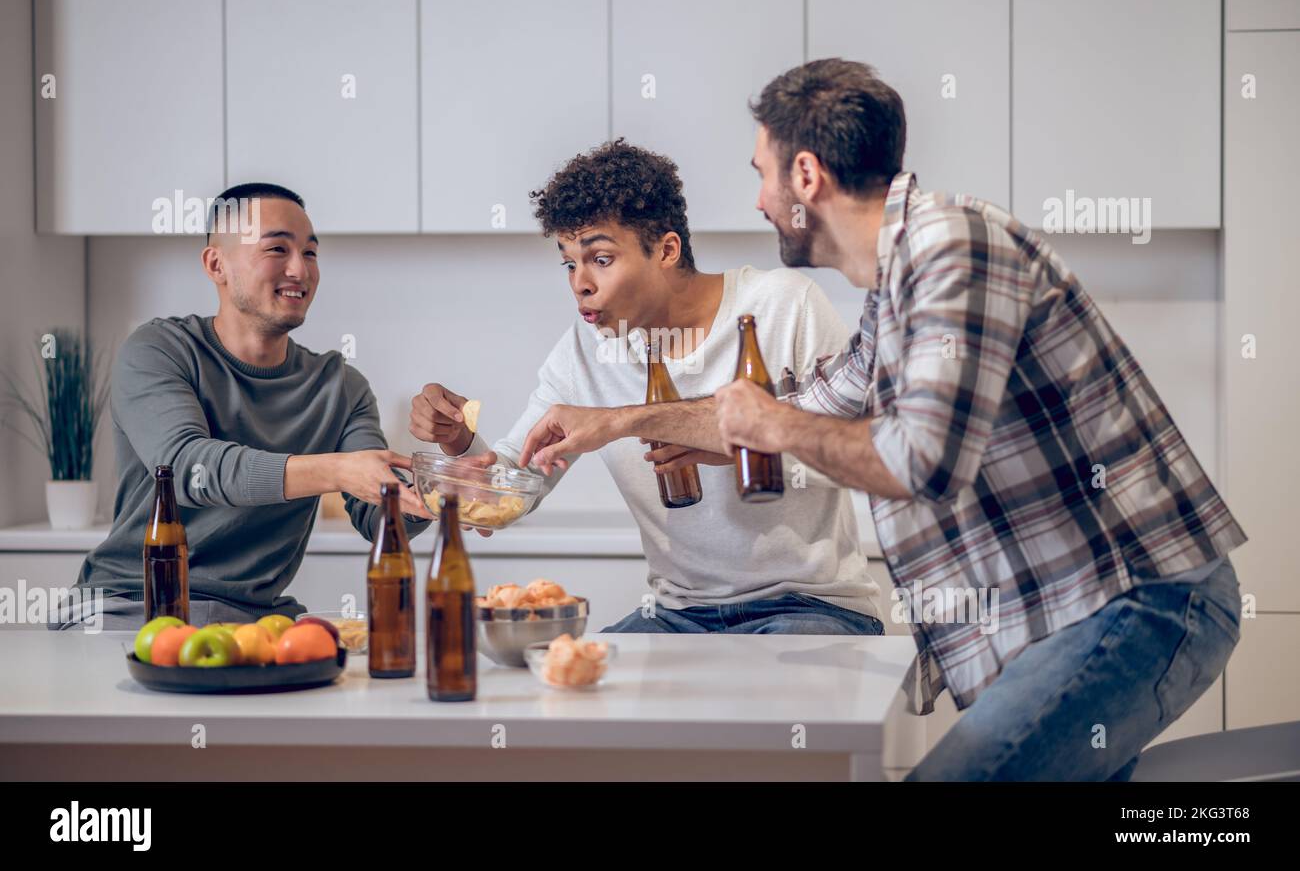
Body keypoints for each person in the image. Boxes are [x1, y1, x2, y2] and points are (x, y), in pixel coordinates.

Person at [513, 60, 1247, 780]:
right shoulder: (899, 286)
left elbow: (916, 461)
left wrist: (762, 424)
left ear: (806, 177)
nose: (758, 201)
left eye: (760, 173)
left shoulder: (952, 245)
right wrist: (624, 424)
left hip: (1139, 605)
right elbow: (813, 407)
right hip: (1070, 615)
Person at [409, 140, 883, 635]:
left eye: (601, 258)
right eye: (569, 263)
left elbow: (869, 459)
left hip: (811, 605)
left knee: (763, 699)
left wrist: (738, 444)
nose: (580, 283)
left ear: (666, 250)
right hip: (677, 615)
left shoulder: (784, 307)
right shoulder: (585, 349)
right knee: (569, 692)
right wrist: (458, 441)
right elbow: (513, 488)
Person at [51, 183, 429, 631]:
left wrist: (448, 479)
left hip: (258, 618)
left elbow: (378, 517)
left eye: (310, 254)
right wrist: (339, 470)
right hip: (131, 604)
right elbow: (187, 467)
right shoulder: (159, 350)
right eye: (277, 249)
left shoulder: (341, 387)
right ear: (216, 264)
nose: (300, 270)